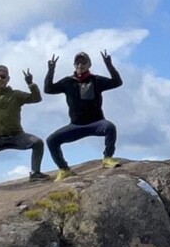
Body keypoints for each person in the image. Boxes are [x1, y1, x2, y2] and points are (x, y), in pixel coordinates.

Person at [44, 49, 123, 178]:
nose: (80, 65)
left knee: (110, 127)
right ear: (74, 65)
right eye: (77, 63)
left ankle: (107, 158)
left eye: (83, 63)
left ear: (89, 65)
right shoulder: (68, 82)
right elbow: (48, 89)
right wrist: (51, 70)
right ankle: (64, 170)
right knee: (51, 140)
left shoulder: (96, 80)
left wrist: (109, 65)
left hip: (96, 123)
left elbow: (117, 82)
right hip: (76, 126)